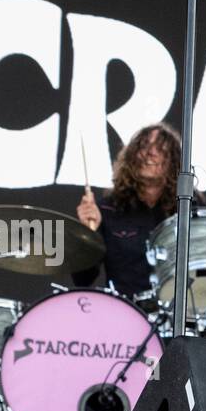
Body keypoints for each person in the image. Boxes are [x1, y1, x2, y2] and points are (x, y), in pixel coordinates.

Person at [73, 122, 185, 298]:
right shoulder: (107, 208)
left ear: (174, 160)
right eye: (144, 146)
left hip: (178, 317)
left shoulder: (188, 206)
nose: (151, 153)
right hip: (125, 315)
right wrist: (88, 233)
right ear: (132, 156)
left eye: (161, 148)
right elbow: (82, 279)